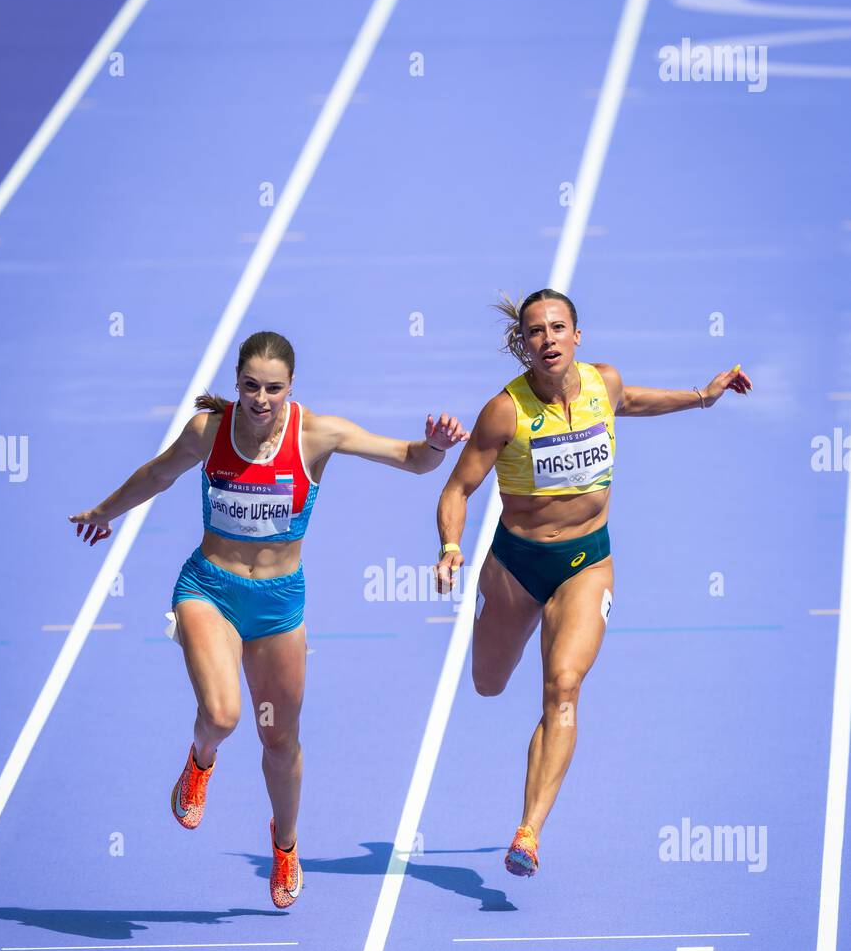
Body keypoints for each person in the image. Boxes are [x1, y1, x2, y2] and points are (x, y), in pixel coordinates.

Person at [69, 330, 469, 908]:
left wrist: (434, 446)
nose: (261, 400)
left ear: (291, 388)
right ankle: (200, 760)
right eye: (251, 387)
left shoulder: (317, 434)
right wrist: (105, 513)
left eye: (273, 389)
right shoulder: (210, 432)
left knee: (279, 740)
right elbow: (158, 474)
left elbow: (411, 460)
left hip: (279, 605)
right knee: (224, 713)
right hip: (210, 589)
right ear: (236, 385)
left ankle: (284, 845)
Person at [434, 288, 751, 878]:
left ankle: (528, 832)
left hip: (586, 563)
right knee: (487, 683)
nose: (548, 338)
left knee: (563, 686)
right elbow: (456, 490)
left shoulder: (602, 383)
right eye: (535, 331)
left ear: (577, 336)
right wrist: (452, 546)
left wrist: (701, 398)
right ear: (522, 345)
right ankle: (509, 638)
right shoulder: (505, 411)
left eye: (558, 327)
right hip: (515, 566)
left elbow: (632, 401)